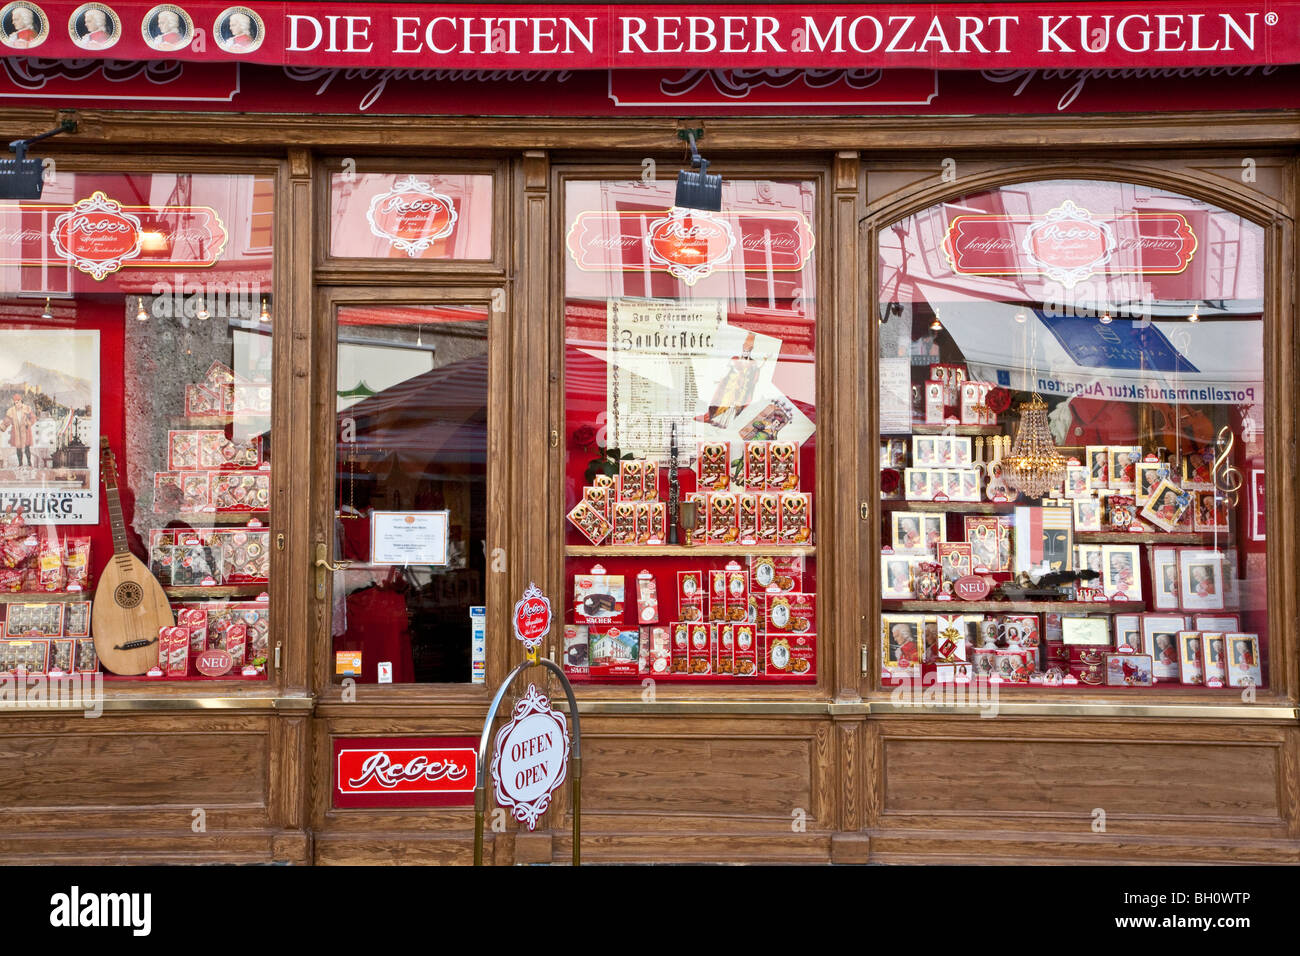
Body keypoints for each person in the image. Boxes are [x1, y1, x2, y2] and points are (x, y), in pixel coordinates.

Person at [0, 392, 36, 468]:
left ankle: (29, 463)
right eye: (16, 403)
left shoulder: (27, 409)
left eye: (18, 402)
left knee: (27, 448)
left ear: (21, 402)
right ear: (14, 403)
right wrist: (2, 427)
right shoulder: (12, 411)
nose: (17, 404)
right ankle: (20, 464)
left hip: (26, 431)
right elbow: (7, 420)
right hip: (16, 431)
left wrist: (28, 423)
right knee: (18, 448)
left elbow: (33, 418)